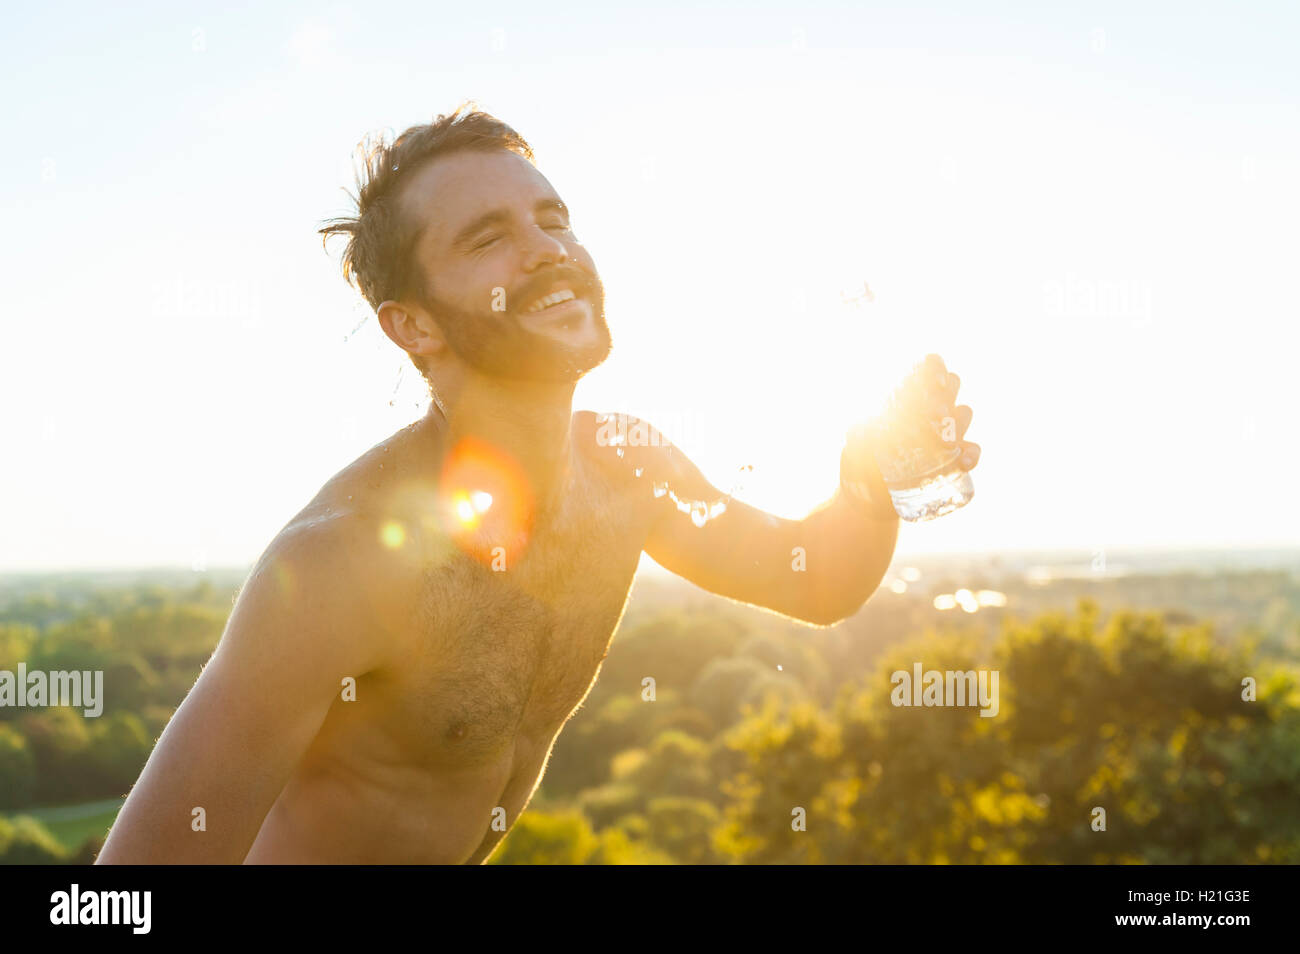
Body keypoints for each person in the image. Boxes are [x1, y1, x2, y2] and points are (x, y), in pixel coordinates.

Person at [97, 102, 979, 864]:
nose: (547, 251)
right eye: (490, 239)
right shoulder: (342, 564)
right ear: (412, 326)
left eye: (554, 220)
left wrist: (872, 476)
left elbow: (814, 578)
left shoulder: (630, 467)